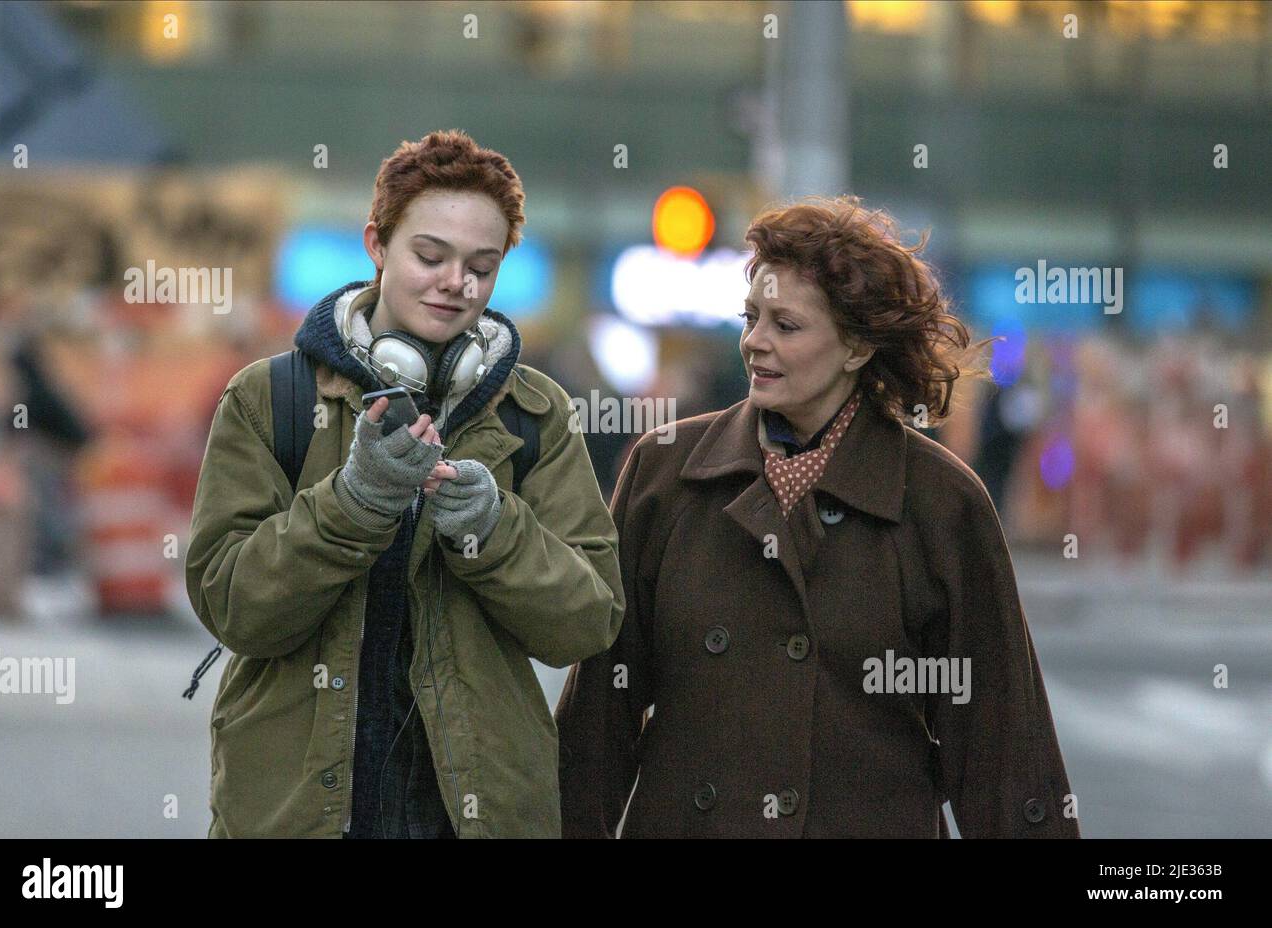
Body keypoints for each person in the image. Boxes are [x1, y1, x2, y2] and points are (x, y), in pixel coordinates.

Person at [555, 195, 1080, 838]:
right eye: (751, 319)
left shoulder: (942, 503)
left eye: (786, 325)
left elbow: (1002, 753)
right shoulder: (664, 474)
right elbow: (597, 726)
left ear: (857, 346)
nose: (755, 343)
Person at [185, 130, 623, 838]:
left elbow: (586, 621)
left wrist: (494, 527)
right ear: (377, 245)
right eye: (431, 256)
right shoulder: (271, 400)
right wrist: (352, 504)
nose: (458, 283)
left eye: (482, 266)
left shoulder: (537, 413)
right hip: (298, 813)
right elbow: (234, 607)